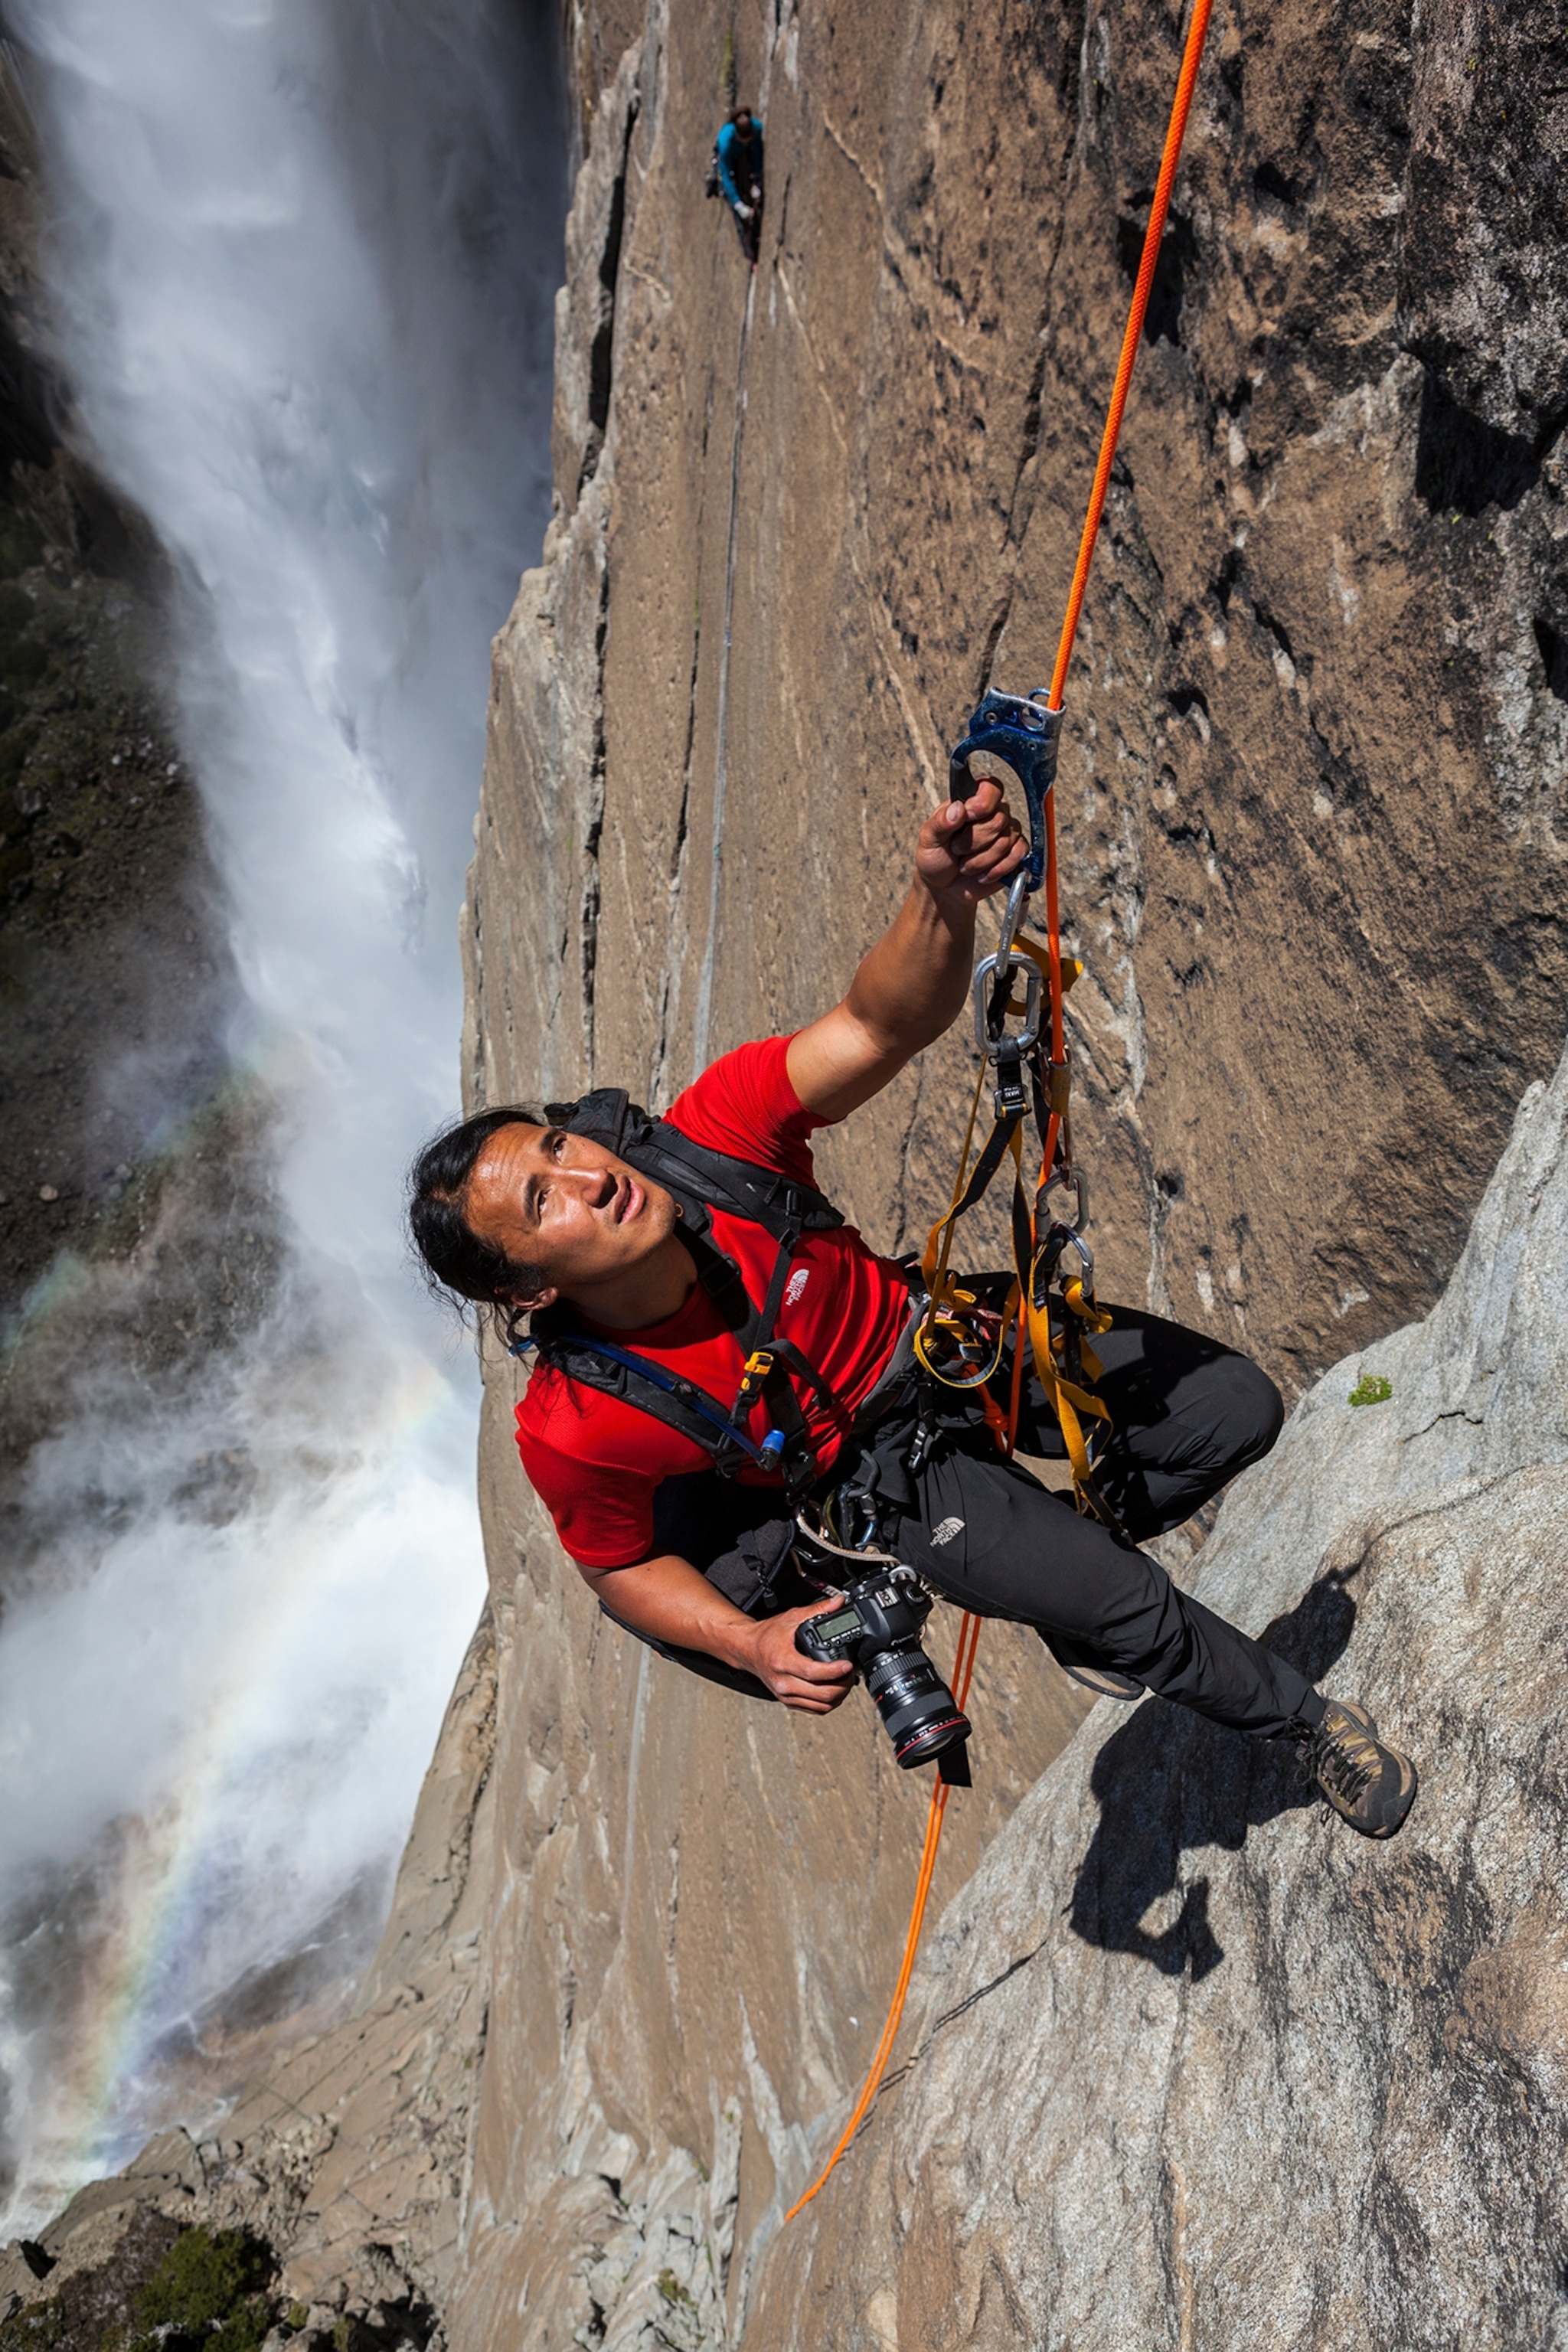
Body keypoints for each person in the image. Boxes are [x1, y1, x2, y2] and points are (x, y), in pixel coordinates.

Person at [410, 779, 1418, 1840]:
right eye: (543, 1202)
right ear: (528, 1289)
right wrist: (748, 1644)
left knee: (1235, 1412)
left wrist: (939, 899)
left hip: (954, 1342)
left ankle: (1067, 1575)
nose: (589, 1178)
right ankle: (1308, 1731)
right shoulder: (583, 1421)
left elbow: (875, 1023)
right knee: (1134, 1608)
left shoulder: (709, 1143)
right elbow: (617, 1567)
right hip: (888, 1480)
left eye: (558, 1147)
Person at [715, 106, 763, 264]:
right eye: (745, 140)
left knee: (754, 198)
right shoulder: (725, 142)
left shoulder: (757, 128)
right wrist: (738, 204)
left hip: (743, 156)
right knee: (740, 216)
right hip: (729, 163)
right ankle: (751, 255)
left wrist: (755, 180)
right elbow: (726, 176)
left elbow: (758, 152)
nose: (747, 141)